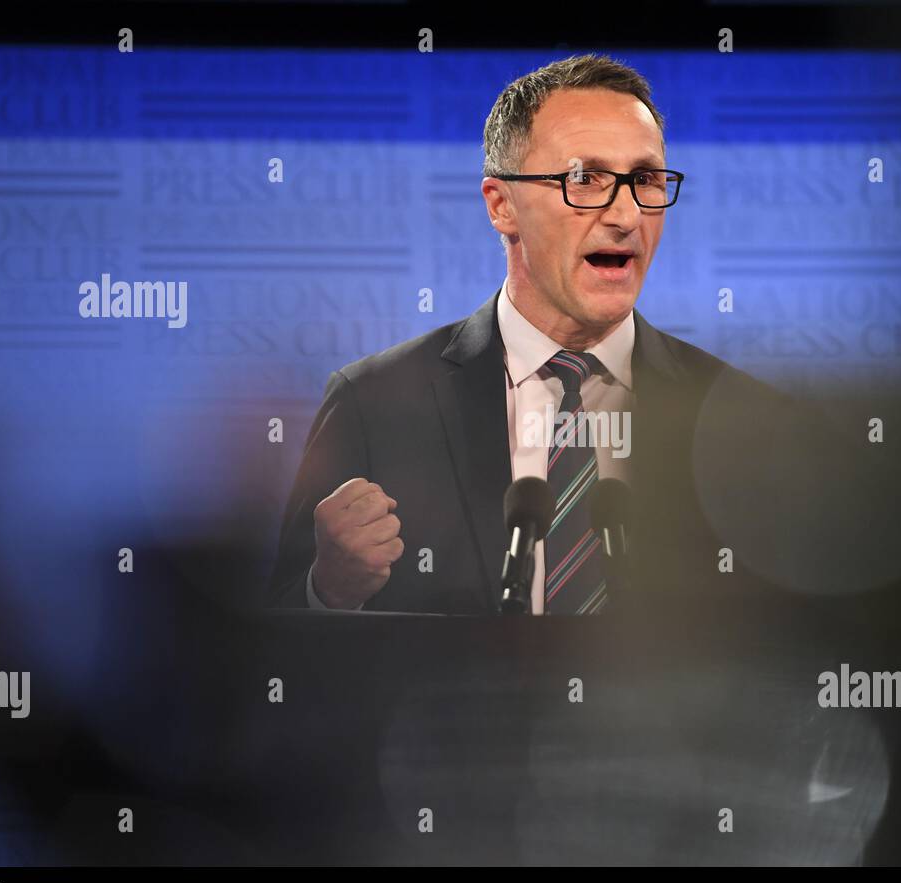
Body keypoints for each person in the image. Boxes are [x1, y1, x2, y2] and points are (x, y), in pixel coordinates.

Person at [266, 53, 762, 614]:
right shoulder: (374, 401)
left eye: (645, 179)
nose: (626, 215)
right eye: (585, 178)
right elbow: (268, 658)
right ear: (502, 206)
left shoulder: (740, 414)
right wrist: (329, 589)